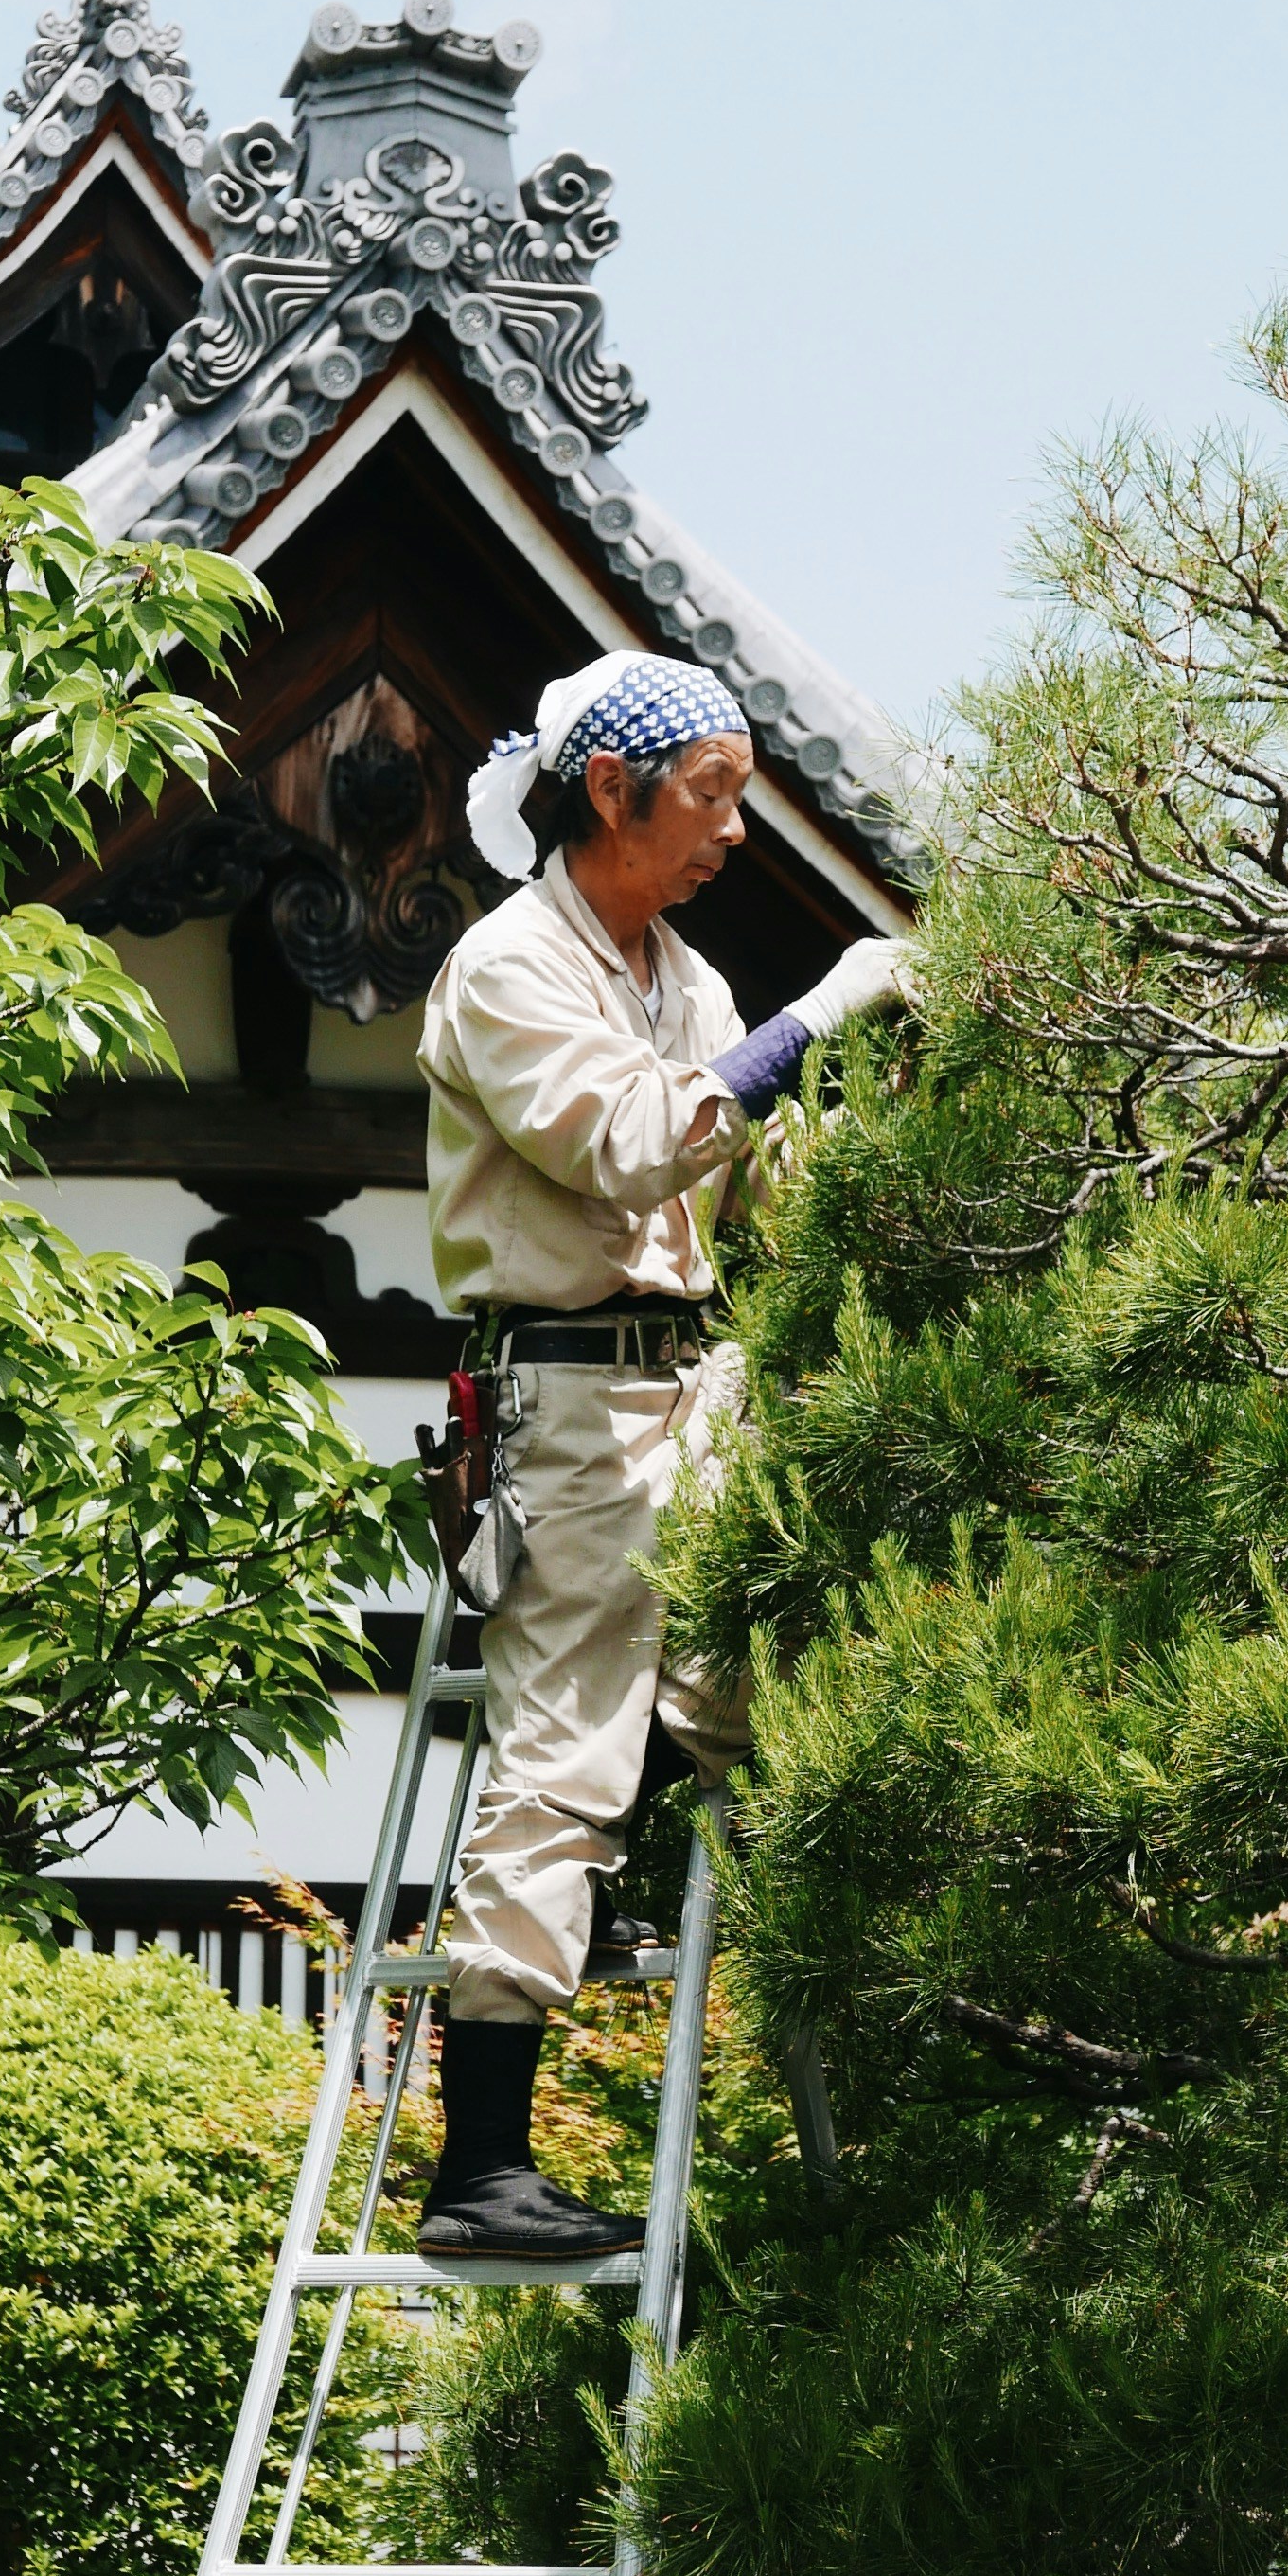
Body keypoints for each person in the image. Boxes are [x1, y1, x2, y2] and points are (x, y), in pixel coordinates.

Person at [415, 648, 909, 2256]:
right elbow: (635, 1153)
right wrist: (811, 1019)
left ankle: (855, 2120)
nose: (734, 833)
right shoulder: (508, 968)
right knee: (563, 1759)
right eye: (710, 795)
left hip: (693, 1393)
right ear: (609, 792)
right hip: (568, 1410)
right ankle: (480, 2168)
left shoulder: (681, 983)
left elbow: (748, 1196)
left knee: (777, 1709)